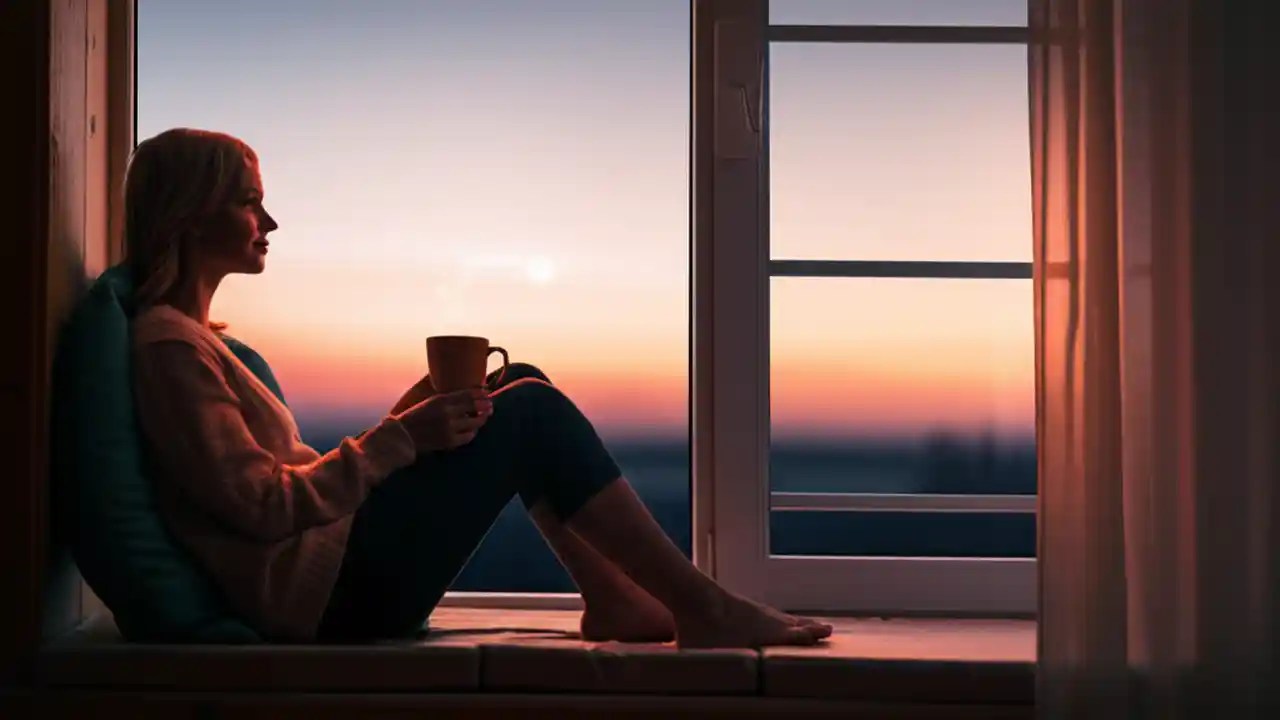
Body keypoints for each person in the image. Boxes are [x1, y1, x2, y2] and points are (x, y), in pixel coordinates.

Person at [126, 127, 833, 647]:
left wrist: (413, 416)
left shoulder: (202, 342)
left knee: (515, 383)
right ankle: (703, 607)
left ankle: (614, 598)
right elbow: (260, 507)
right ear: (191, 213)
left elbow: (281, 483)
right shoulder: (170, 349)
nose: (270, 222)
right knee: (531, 415)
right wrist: (402, 439)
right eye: (250, 202)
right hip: (323, 599)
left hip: (332, 569)